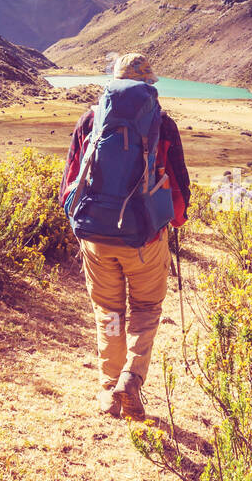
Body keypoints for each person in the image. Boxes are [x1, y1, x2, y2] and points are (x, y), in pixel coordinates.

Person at [59, 52, 191, 419]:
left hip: (96, 239)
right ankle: (131, 377)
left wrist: (84, 226)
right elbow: (179, 184)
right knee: (146, 309)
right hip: (145, 239)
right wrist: (173, 221)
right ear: (150, 84)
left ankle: (108, 388)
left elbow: (68, 182)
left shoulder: (91, 119)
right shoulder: (162, 124)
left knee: (109, 311)